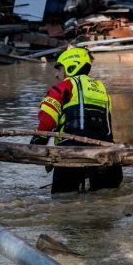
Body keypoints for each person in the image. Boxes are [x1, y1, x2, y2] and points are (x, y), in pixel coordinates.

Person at [32, 47, 123, 193]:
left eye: (59, 69)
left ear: (71, 67)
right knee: (107, 202)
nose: (56, 75)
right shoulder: (101, 89)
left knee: (65, 205)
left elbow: (47, 121)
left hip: (71, 155)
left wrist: (37, 140)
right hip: (106, 154)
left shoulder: (63, 87)